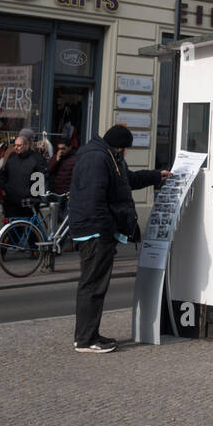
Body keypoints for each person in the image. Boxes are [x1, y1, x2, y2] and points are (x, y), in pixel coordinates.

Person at [68, 126, 168, 353]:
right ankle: (86, 340)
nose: (126, 154)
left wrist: (155, 176)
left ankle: (87, 335)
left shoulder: (105, 156)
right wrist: (106, 231)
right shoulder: (98, 158)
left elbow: (127, 180)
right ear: (121, 147)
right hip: (95, 233)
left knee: (92, 284)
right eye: (126, 149)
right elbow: (94, 200)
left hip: (94, 230)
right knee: (93, 285)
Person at [0, 128, 47, 220]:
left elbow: (42, 178)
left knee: (28, 229)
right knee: (12, 229)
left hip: (27, 202)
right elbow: (3, 174)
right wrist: (5, 189)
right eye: (15, 145)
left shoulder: (37, 158)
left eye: (19, 145)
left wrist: (34, 197)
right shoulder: (12, 156)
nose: (16, 147)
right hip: (11, 201)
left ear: (27, 144)